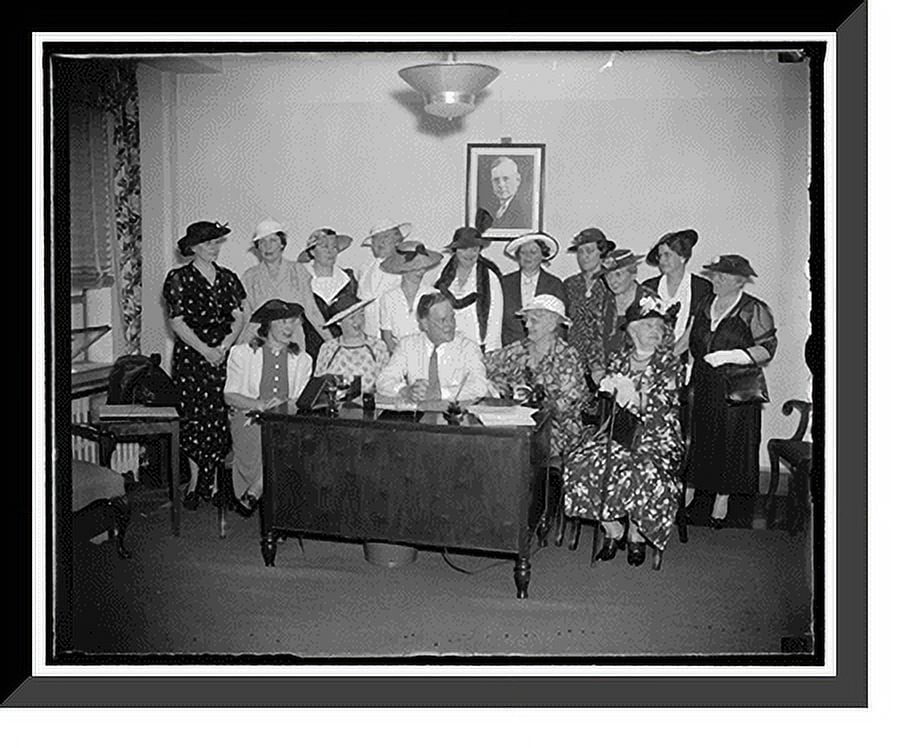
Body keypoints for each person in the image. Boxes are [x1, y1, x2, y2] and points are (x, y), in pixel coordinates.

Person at [563, 296, 685, 570]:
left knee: (641, 469)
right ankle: (613, 529)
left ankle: (637, 533)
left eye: (659, 326)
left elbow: (664, 408)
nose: (655, 331)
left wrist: (636, 399)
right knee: (579, 462)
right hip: (619, 434)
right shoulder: (618, 359)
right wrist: (606, 388)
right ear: (632, 329)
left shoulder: (671, 363)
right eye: (648, 325)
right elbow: (607, 406)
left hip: (658, 436)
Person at [685, 255, 778, 529]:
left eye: (721, 277)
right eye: (714, 275)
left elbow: (767, 349)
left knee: (730, 441)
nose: (715, 280)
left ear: (739, 281)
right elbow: (693, 342)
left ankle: (722, 498)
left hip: (736, 388)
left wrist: (733, 355)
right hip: (704, 383)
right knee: (702, 436)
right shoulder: (705, 303)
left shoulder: (754, 309)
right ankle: (692, 489)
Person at [163, 220, 246, 510]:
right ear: (194, 248)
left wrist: (223, 347)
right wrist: (205, 350)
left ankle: (210, 482)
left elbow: (238, 317)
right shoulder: (178, 277)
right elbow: (177, 321)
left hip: (223, 353)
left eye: (216, 243)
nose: (214, 248)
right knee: (194, 417)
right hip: (192, 356)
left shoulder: (228, 277)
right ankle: (197, 479)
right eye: (208, 243)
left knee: (218, 416)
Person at [224, 300, 313, 516]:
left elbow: (300, 400)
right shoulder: (242, 354)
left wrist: (284, 405)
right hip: (249, 417)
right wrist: (260, 404)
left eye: (293, 322)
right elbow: (229, 395)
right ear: (268, 324)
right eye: (282, 322)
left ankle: (257, 490)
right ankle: (277, 514)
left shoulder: (302, 359)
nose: (289, 328)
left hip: (285, 420)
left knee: (289, 439)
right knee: (277, 442)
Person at [484, 295, 588, 459]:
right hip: (519, 424)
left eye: (534, 320)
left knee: (515, 446)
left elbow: (568, 403)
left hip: (557, 429)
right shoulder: (519, 349)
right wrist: (498, 385)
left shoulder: (567, 356)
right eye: (526, 319)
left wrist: (531, 407)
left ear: (552, 324)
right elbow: (485, 364)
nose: (527, 325)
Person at [376, 291, 490, 406]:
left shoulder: (468, 348)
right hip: (417, 419)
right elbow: (383, 381)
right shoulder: (408, 345)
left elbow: (480, 386)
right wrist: (405, 391)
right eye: (443, 320)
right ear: (425, 324)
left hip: (455, 418)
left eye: (452, 318)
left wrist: (440, 393)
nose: (450, 325)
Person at [239, 218, 331, 350]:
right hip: (259, 342)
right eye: (262, 242)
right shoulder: (249, 276)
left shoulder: (297, 271)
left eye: (273, 240)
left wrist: (331, 342)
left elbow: (312, 311)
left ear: (282, 244)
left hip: (291, 340)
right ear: (257, 246)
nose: (268, 246)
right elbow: (246, 317)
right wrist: (238, 349)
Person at [434, 210, 504, 353]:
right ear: (455, 250)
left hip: (478, 348)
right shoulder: (444, 278)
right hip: (448, 348)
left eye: (474, 249)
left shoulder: (490, 278)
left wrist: (490, 353)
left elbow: (495, 321)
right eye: (464, 248)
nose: (469, 254)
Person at [641, 229, 712, 360]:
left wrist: (672, 354)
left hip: (690, 359)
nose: (662, 260)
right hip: (651, 358)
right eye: (660, 255)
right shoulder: (648, 287)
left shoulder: (702, 288)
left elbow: (697, 328)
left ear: (682, 257)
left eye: (667, 255)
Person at [562, 227, 616, 386]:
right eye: (580, 252)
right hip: (574, 360)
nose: (584, 256)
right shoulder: (570, 284)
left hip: (604, 360)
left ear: (602, 252)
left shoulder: (612, 282)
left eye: (590, 251)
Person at [297, 227, 358, 362]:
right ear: (312, 251)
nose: (331, 252)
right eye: (325, 247)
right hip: (309, 350)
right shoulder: (301, 279)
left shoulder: (348, 279)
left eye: (334, 247)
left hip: (346, 351)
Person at [314, 295, 390, 395]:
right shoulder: (328, 348)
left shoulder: (378, 346)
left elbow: (387, 383)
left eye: (362, 314)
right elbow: (318, 385)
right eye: (352, 317)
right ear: (339, 322)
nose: (358, 321)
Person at [500, 232, 566, 347]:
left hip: (544, 351)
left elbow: (560, 324)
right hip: (510, 351)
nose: (527, 256)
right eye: (523, 252)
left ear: (543, 255)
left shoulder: (554, 284)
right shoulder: (504, 283)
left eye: (533, 252)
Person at [378, 240, 443, 354]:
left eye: (423, 267)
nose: (421, 271)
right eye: (415, 267)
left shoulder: (434, 294)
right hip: (398, 355)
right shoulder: (388, 297)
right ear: (403, 268)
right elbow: (387, 336)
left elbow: (439, 331)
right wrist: (400, 357)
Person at [357, 219, 412, 339]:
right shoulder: (364, 270)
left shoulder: (408, 267)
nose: (380, 243)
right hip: (369, 338)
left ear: (397, 240)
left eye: (386, 237)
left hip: (397, 336)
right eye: (375, 239)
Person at [601, 248, 657, 364]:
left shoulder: (649, 301)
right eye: (608, 275)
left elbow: (660, 342)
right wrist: (596, 366)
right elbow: (594, 338)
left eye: (618, 274)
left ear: (633, 274)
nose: (613, 281)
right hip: (605, 371)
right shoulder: (602, 301)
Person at [485, 156, 533, 228]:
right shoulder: (490, 209)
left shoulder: (525, 210)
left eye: (506, 179)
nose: (501, 185)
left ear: (518, 180)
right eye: (496, 180)